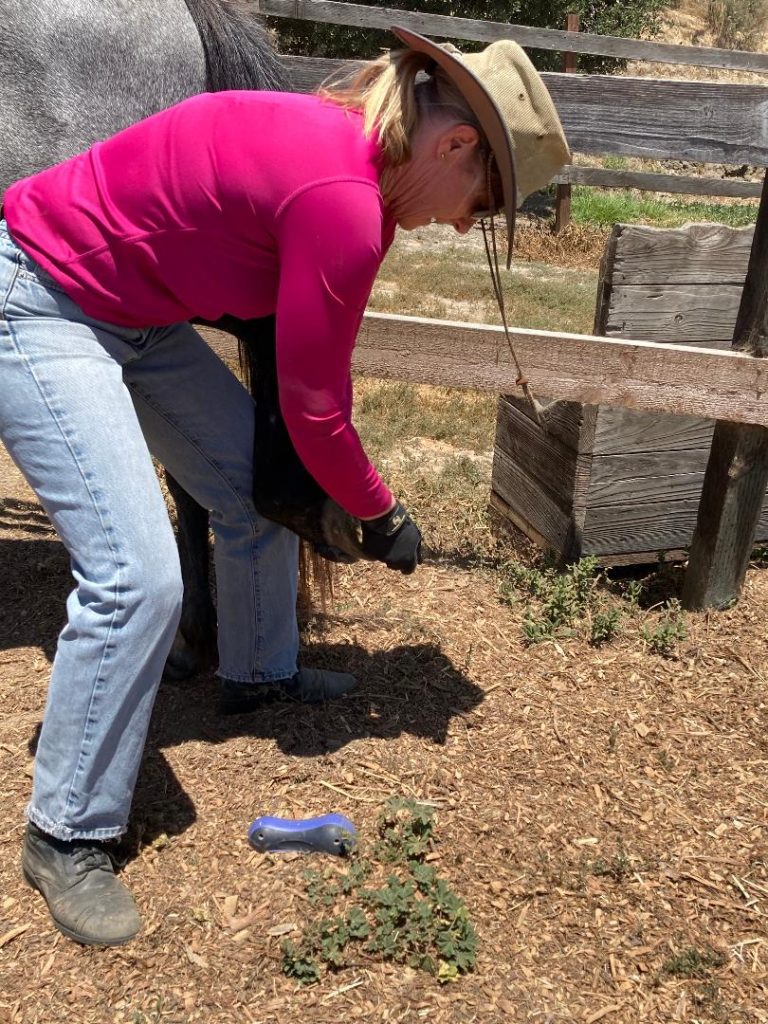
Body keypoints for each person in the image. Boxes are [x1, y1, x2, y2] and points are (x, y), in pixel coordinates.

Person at [0, 26, 569, 946]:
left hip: (132, 311)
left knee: (249, 491)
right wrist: (385, 515)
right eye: (485, 199)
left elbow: (303, 404)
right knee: (138, 578)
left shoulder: (349, 160)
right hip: (42, 294)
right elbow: (314, 409)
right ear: (454, 144)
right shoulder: (343, 194)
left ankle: (258, 673)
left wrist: (352, 496)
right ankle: (66, 831)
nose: (468, 222)